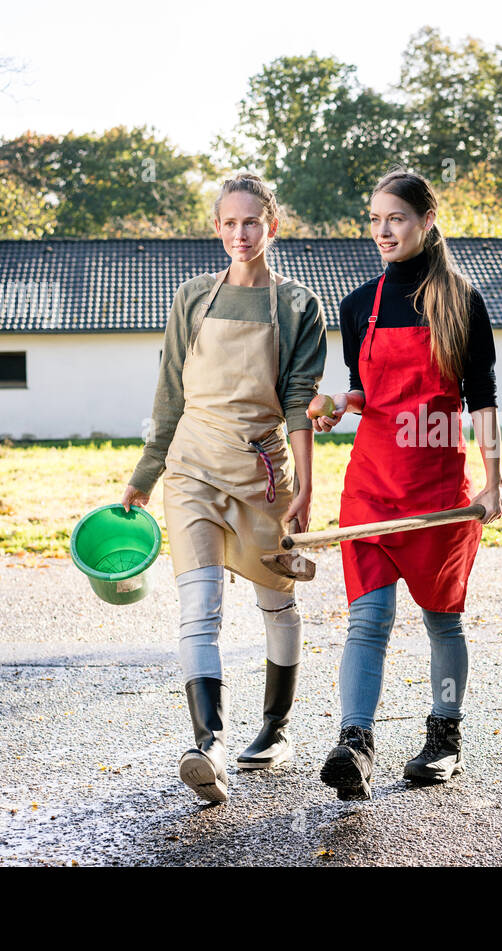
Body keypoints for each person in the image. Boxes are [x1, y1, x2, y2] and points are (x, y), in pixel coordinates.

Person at [121, 173, 325, 803]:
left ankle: (274, 726)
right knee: (198, 607)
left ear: (272, 226)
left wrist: (308, 482)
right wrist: (143, 479)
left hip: (263, 474)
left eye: (252, 223)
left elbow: (297, 400)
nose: (240, 234)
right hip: (191, 471)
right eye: (229, 223)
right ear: (216, 228)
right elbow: (169, 397)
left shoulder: (297, 306)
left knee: (277, 604)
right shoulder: (191, 298)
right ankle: (207, 743)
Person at [311, 168, 501, 800]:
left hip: (438, 489)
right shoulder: (356, 305)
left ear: (425, 220)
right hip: (370, 483)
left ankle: (444, 738)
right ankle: (355, 743)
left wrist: (493, 481)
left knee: (442, 621)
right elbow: (368, 391)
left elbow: (483, 401)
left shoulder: (462, 301)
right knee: (367, 620)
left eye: (395, 218)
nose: (383, 230)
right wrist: (339, 407)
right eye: (374, 219)